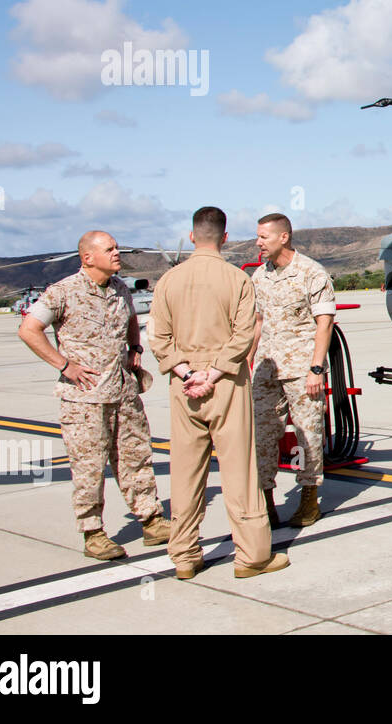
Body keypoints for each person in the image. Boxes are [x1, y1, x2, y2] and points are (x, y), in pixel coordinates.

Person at [149, 206, 289, 580]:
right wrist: (212, 373)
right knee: (239, 469)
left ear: (192, 236)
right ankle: (252, 556)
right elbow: (245, 335)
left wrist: (187, 372)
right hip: (225, 380)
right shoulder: (238, 280)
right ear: (225, 238)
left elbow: (158, 339)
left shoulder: (168, 281)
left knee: (185, 469)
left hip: (184, 384)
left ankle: (184, 555)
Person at [18, 231, 169, 559]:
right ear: (88, 257)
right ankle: (93, 532)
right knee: (88, 466)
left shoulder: (119, 288)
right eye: (110, 249)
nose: (117, 253)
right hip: (85, 399)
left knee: (136, 457)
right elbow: (29, 330)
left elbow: (131, 319)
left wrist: (136, 348)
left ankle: (152, 520)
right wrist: (64, 365)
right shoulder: (63, 292)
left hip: (123, 392)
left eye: (116, 248)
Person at [250, 213, 335, 528]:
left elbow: (324, 323)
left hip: (301, 370)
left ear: (283, 237)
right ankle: (266, 503)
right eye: (258, 237)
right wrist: (249, 362)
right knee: (262, 436)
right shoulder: (260, 276)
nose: (258, 243)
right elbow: (257, 323)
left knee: (307, 435)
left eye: (263, 237)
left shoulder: (311, 272)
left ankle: (309, 500)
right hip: (266, 371)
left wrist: (316, 368)